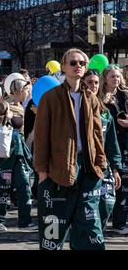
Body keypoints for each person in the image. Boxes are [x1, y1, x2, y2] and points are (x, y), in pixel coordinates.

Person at [34, 48, 107, 250]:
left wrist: (100, 164)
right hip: (58, 171)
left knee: (90, 229)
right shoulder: (50, 98)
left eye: (82, 63)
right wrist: (41, 171)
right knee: (53, 231)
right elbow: (41, 137)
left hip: (87, 169)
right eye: (73, 63)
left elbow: (97, 135)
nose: (78, 66)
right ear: (64, 66)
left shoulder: (91, 98)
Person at [0, 77, 34, 231]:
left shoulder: (21, 107)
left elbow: (22, 131)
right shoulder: (4, 104)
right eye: (27, 89)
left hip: (19, 151)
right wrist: (5, 118)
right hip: (3, 152)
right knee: (1, 186)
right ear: (19, 90)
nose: (29, 92)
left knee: (24, 184)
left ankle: (25, 220)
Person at [83, 70, 122, 232]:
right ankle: (87, 237)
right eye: (89, 82)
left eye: (96, 82)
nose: (93, 86)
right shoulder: (74, 108)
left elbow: (112, 144)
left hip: (103, 167)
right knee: (86, 208)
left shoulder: (105, 112)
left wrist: (115, 168)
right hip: (82, 167)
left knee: (107, 203)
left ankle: (97, 232)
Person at [99, 65, 128, 234]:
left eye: (118, 76)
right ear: (105, 79)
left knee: (124, 185)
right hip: (107, 146)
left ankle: (119, 221)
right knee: (108, 184)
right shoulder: (100, 97)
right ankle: (104, 219)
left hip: (124, 144)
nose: (116, 79)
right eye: (112, 76)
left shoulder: (125, 95)